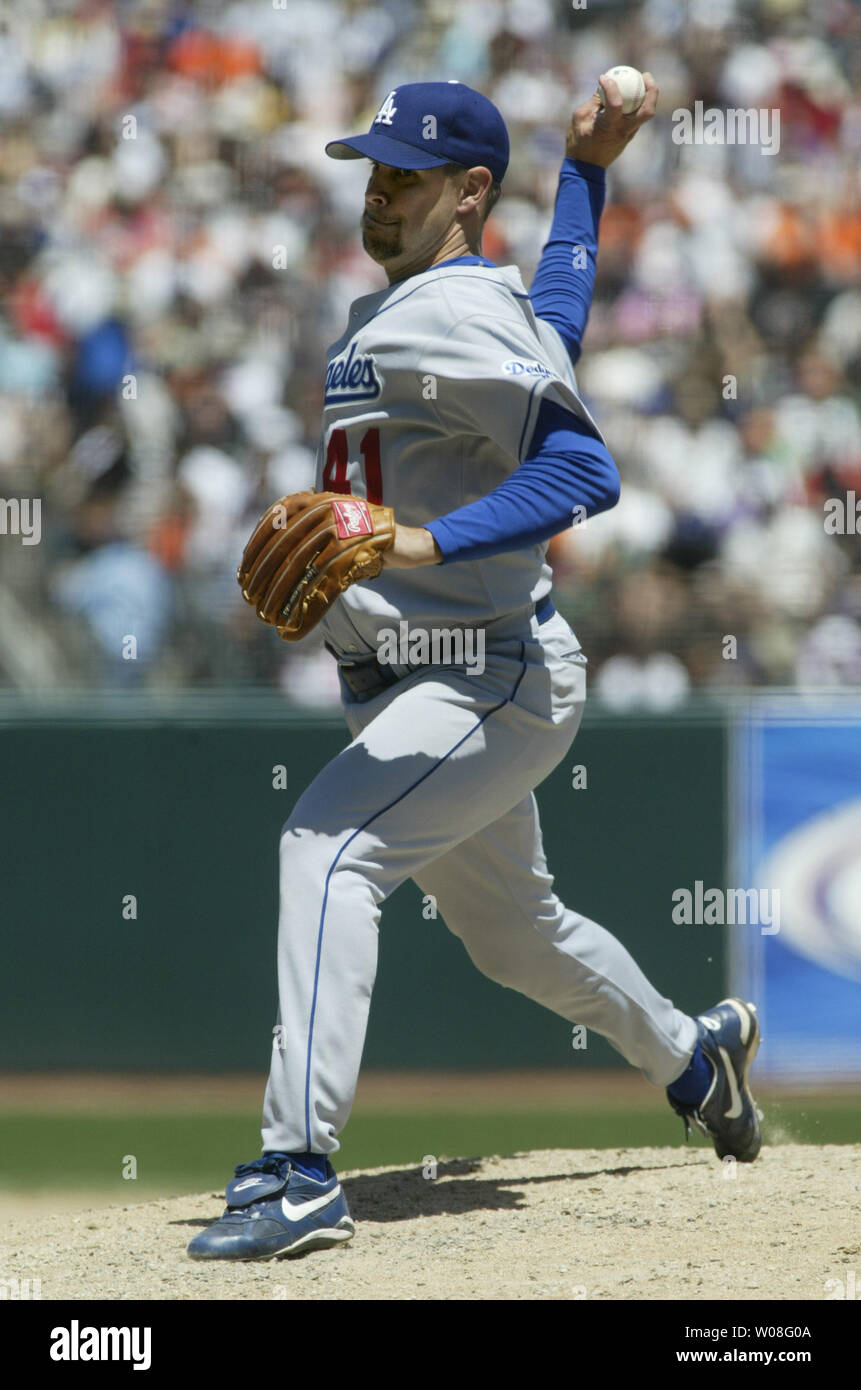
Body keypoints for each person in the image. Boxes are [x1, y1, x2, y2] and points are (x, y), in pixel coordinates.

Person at [188, 76, 761, 1263]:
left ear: (469, 191)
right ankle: (697, 1059)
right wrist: (589, 174)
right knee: (522, 940)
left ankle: (298, 1169)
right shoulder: (441, 306)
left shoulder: (444, 311)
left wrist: (414, 539)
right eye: (374, 169)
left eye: (405, 172)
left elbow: (584, 470)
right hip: (421, 687)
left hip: (484, 675)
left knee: (327, 846)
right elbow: (556, 322)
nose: (380, 189)